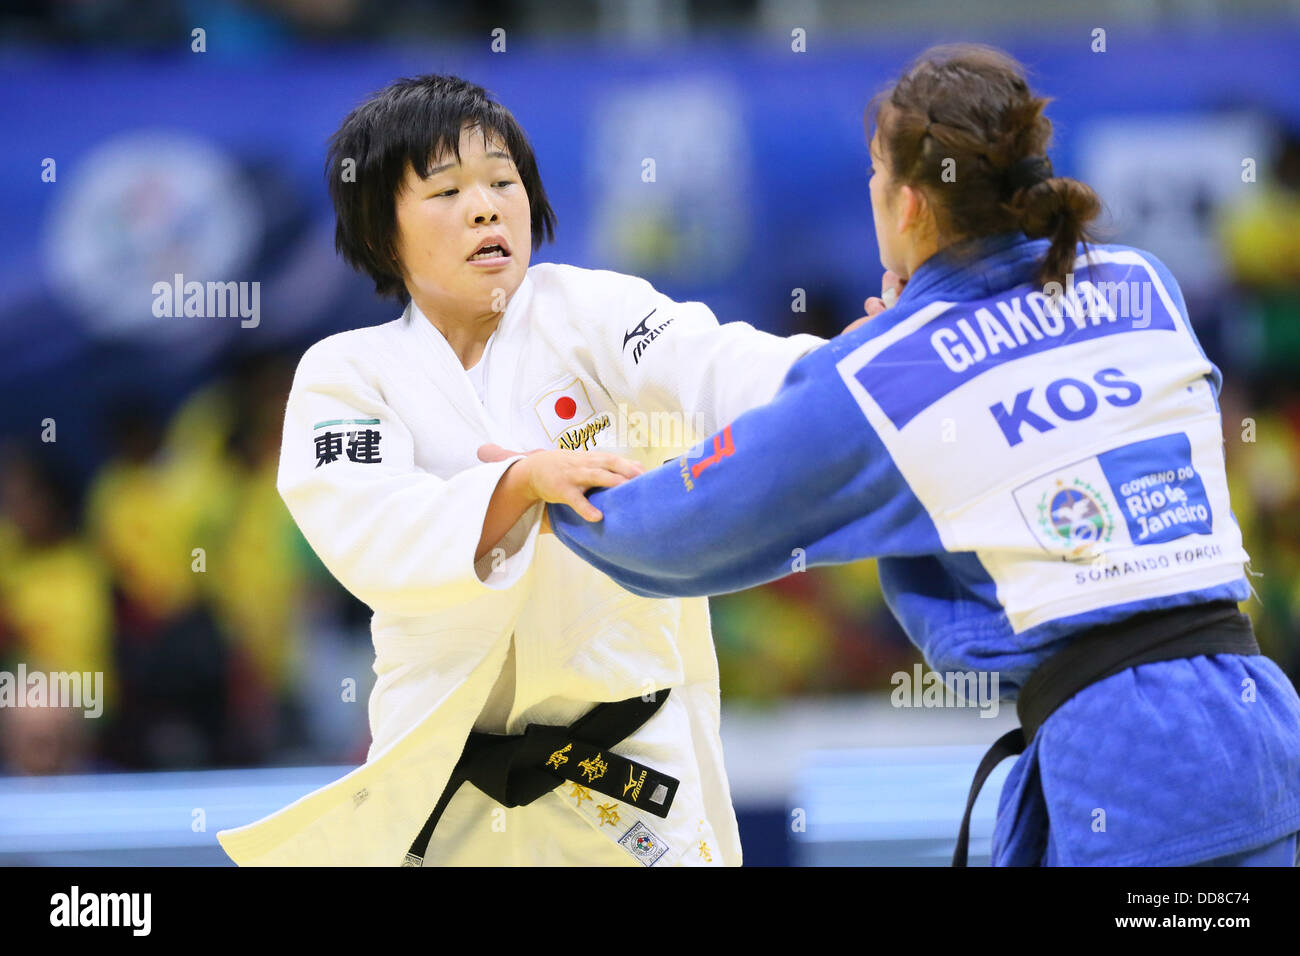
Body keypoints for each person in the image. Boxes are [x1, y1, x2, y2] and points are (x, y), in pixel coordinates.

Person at [547, 44, 1300, 866]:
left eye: (875, 177)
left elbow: (681, 530)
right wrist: (922, 327)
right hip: (1262, 732)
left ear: (907, 204)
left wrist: (530, 490)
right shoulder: (1144, 282)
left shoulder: (886, 376)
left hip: (1130, 786)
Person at [215, 75, 824, 866]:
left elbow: (715, 362)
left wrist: (853, 374)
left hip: (619, 776)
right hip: (445, 787)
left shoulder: (590, 313)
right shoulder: (349, 375)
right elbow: (373, 535)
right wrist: (520, 485)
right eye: (447, 190)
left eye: (504, 182)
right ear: (380, 228)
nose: (485, 206)